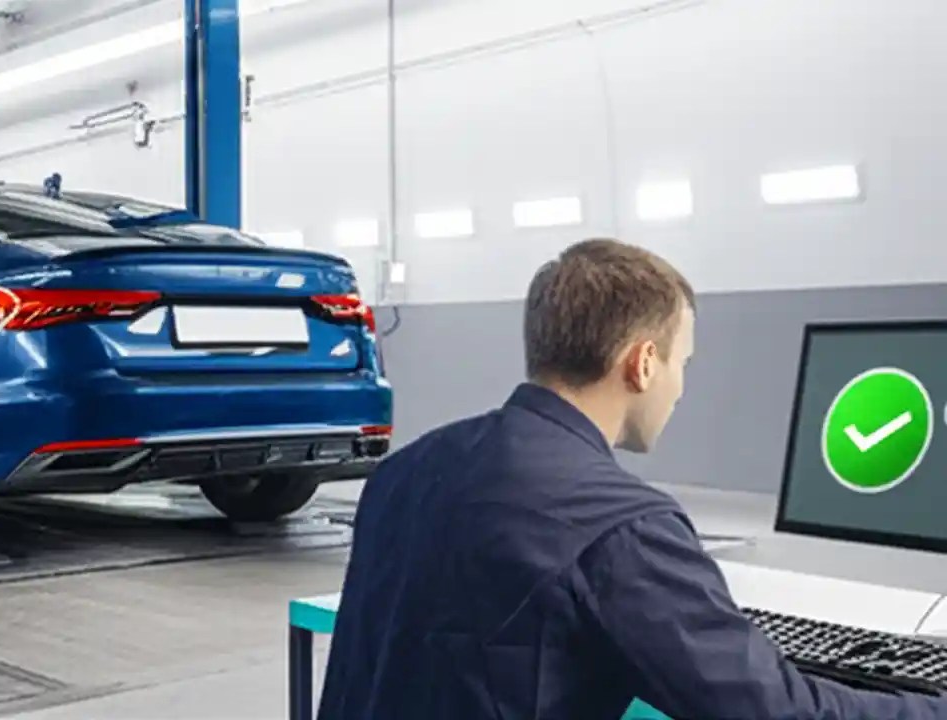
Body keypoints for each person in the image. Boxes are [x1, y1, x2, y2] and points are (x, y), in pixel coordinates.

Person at [317, 238, 947, 719]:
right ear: (643, 363)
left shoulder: (405, 470)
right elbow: (776, 710)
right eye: (683, 363)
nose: (681, 388)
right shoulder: (621, 525)